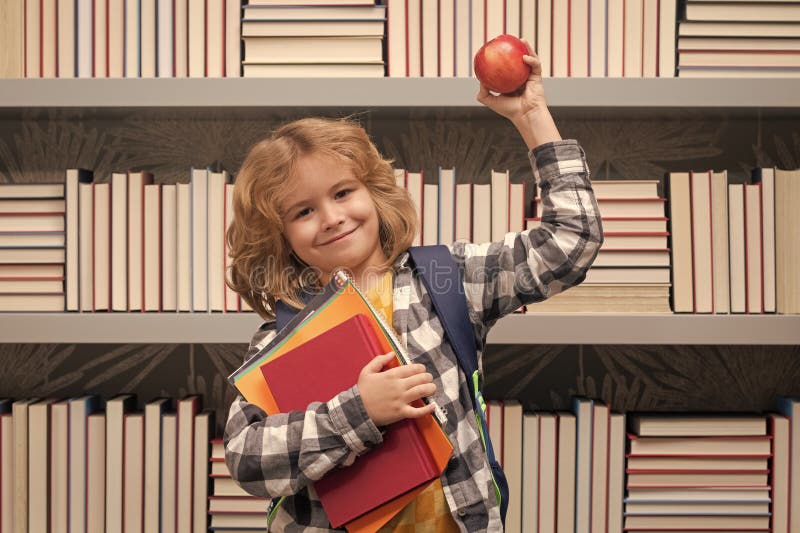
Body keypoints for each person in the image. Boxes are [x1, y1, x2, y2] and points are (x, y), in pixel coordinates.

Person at [224, 41, 603, 533]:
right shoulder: (282, 334)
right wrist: (359, 412)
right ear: (282, 236)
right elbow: (245, 458)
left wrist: (532, 117)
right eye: (303, 211)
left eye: (343, 192)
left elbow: (572, 243)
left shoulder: (449, 278)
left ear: (374, 193)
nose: (333, 218)